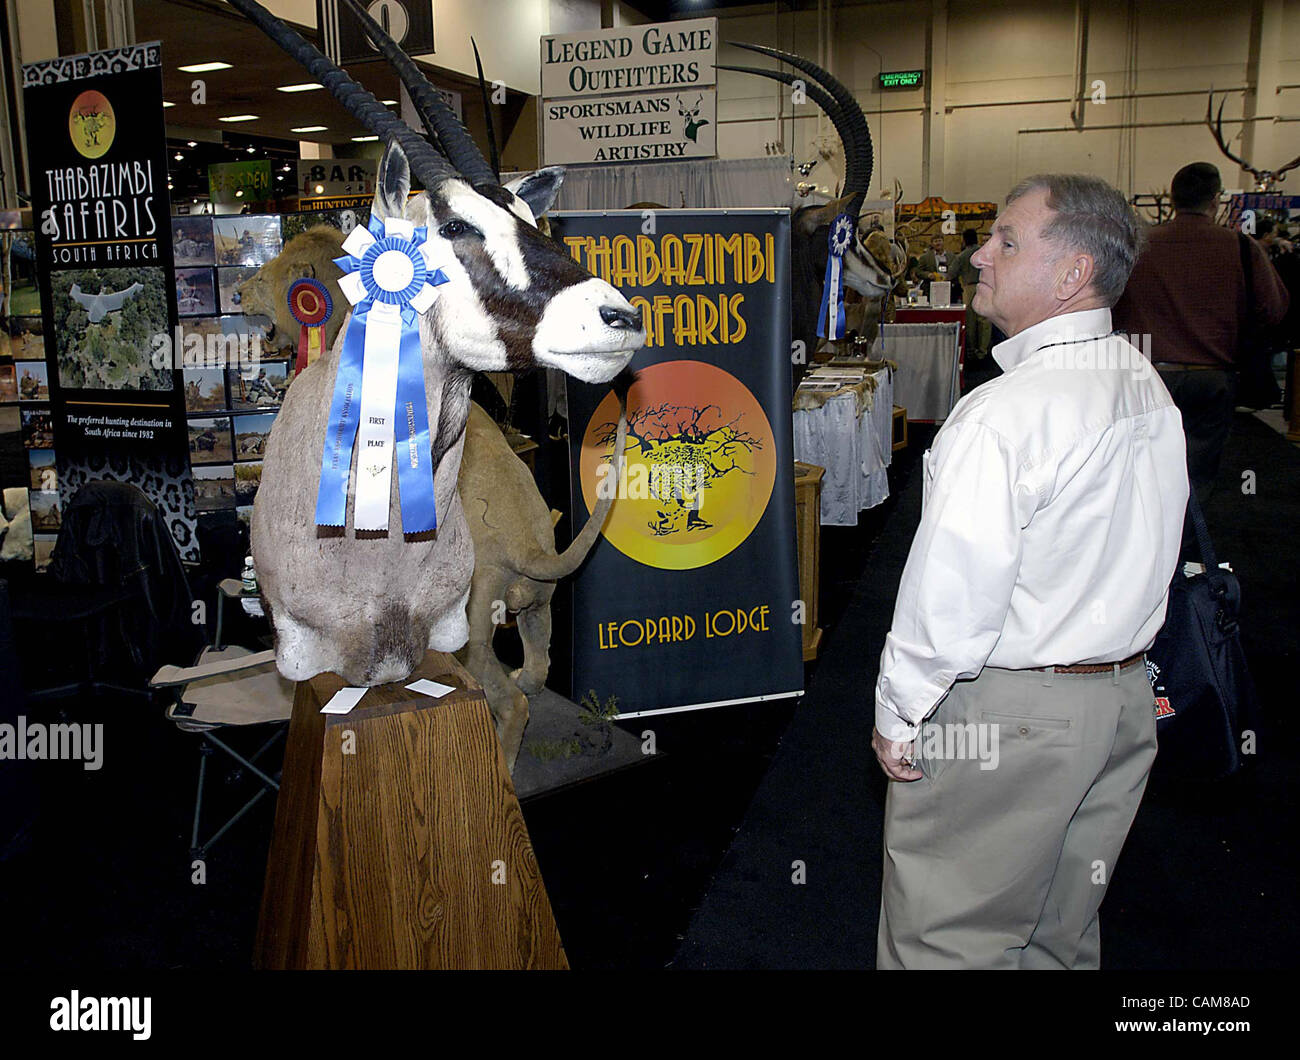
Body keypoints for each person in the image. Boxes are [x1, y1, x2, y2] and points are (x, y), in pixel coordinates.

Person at [872, 174, 1189, 970]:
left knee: (947, 940)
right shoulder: (1142, 381)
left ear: (1072, 274)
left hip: (1011, 718)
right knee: (1061, 933)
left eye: (1007, 240)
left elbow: (952, 600)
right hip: (1120, 704)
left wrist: (899, 711)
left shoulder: (1004, 414)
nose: (980, 251)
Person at [1112, 162, 1288, 507]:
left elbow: (1109, 305)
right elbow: (1274, 308)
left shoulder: (1140, 247)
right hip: (1212, 374)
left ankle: (1145, 550)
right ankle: (1189, 552)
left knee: (1140, 469)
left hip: (1147, 373)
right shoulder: (1240, 248)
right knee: (1198, 472)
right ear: (1216, 200)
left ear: (1173, 198)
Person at [947, 228, 992, 358]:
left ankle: (971, 350)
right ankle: (983, 351)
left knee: (970, 321)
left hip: (968, 288)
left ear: (964, 240)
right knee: (984, 320)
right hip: (986, 286)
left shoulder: (962, 256)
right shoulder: (985, 252)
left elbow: (951, 274)